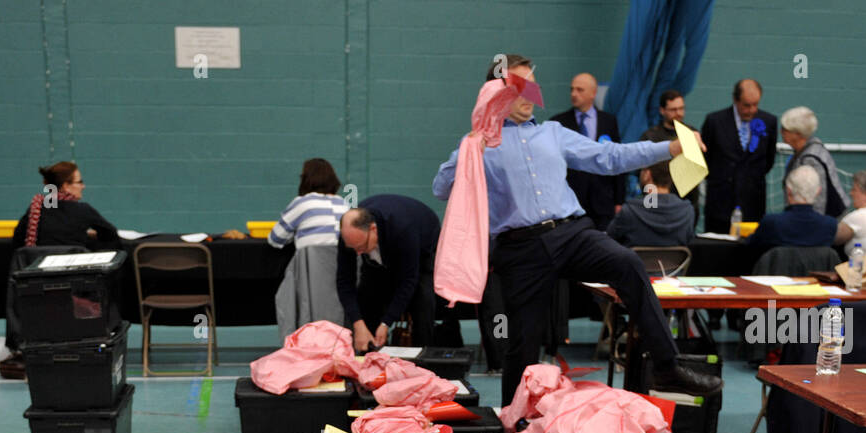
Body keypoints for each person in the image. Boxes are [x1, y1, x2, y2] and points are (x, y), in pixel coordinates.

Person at [433, 53, 721, 404]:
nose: (528, 96)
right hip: (521, 249)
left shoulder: (553, 133)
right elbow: (442, 188)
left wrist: (670, 148)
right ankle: (512, 430)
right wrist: (471, 145)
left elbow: (612, 158)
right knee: (523, 346)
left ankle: (666, 365)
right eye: (517, 88)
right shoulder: (480, 145)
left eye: (531, 86)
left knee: (628, 264)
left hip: (573, 233)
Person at [336, 194, 446, 353]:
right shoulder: (351, 238)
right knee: (366, 298)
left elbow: (409, 280)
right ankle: (368, 358)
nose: (358, 253)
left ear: (373, 229)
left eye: (361, 247)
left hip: (422, 250)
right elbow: (344, 282)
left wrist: (386, 323)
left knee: (422, 300)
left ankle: (424, 360)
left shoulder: (403, 228)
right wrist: (358, 324)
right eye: (353, 249)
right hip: (380, 252)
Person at [267, 157, 349, 336]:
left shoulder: (302, 203)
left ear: (305, 179)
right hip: (344, 276)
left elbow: (275, 239)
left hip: (312, 278)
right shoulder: (344, 203)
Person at [549, 73, 624, 231]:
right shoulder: (558, 123)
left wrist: (619, 200)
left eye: (580, 90)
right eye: (572, 90)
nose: (574, 94)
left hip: (603, 201)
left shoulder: (608, 121)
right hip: (571, 201)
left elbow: (617, 159)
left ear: (593, 93)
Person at [701, 79, 778, 233]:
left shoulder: (769, 122)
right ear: (735, 100)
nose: (751, 110)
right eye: (746, 105)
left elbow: (768, 160)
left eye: (756, 104)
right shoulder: (715, 122)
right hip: (719, 205)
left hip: (753, 204)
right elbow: (705, 159)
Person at [12, 160, 119, 248]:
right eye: (80, 182)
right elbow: (111, 234)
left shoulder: (36, 208)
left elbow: (18, 239)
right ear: (66, 186)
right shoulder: (83, 210)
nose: (83, 186)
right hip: (75, 272)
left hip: (39, 271)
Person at [606, 159, 695, 248]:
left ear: (647, 175)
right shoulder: (688, 211)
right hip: (674, 262)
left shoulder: (629, 212)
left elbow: (609, 240)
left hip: (636, 261)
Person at [642, 88, 699, 224]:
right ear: (662, 110)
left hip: (687, 200)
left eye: (681, 108)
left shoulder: (692, 134)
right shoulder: (651, 136)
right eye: (673, 110)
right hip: (657, 200)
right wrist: (650, 203)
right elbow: (644, 174)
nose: (678, 113)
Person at [780, 107, 849, 217]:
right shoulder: (806, 151)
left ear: (797, 134)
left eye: (785, 129)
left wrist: (814, 227)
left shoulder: (811, 160)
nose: (781, 132)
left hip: (826, 220)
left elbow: (817, 199)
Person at [747, 167, 838, 248]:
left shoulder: (771, 223)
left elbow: (750, 245)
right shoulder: (830, 226)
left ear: (788, 191)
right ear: (818, 192)